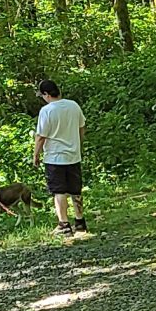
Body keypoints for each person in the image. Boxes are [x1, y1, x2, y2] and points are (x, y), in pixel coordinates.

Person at [32, 79, 89, 237]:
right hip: (73, 155)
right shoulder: (73, 105)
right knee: (75, 190)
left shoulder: (47, 110)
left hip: (55, 158)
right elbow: (81, 127)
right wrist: (78, 144)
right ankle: (80, 223)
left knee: (59, 191)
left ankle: (64, 224)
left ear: (46, 94)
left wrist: (36, 155)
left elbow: (41, 136)